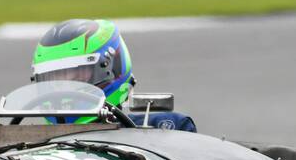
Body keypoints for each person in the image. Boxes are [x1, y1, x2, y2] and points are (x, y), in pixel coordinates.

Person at [31, 19, 196, 132]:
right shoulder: (29, 147)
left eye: (76, 76)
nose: (64, 89)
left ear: (112, 67)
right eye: (55, 79)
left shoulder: (164, 129)